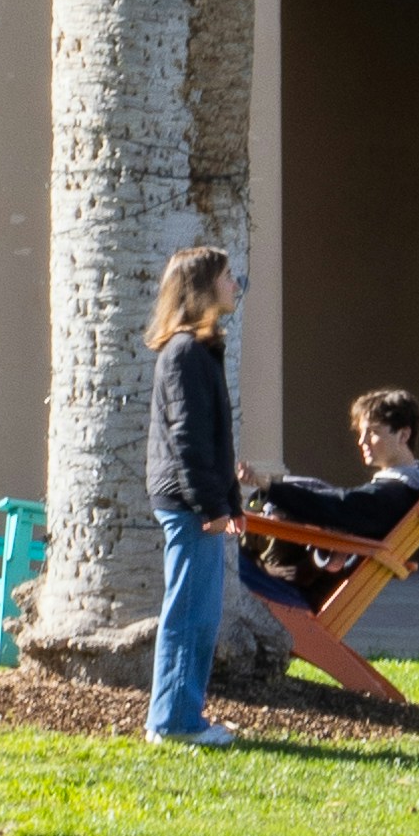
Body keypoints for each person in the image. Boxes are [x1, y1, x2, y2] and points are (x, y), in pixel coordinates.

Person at [143, 241, 242, 743]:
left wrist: (233, 503)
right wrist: (211, 506)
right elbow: (187, 439)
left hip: (200, 503)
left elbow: (216, 437)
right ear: (203, 288)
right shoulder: (184, 352)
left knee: (200, 616)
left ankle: (184, 716)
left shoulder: (202, 351)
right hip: (188, 505)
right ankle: (174, 723)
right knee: (188, 615)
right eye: (227, 277)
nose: (235, 285)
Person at [244, 385, 419, 604]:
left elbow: (337, 506)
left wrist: (269, 488)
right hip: (317, 581)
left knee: (222, 560)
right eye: (361, 433)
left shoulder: (392, 494)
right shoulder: (415, 482)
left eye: (374, 432)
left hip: (303, 592)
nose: (362, 441)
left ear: (403, 434)